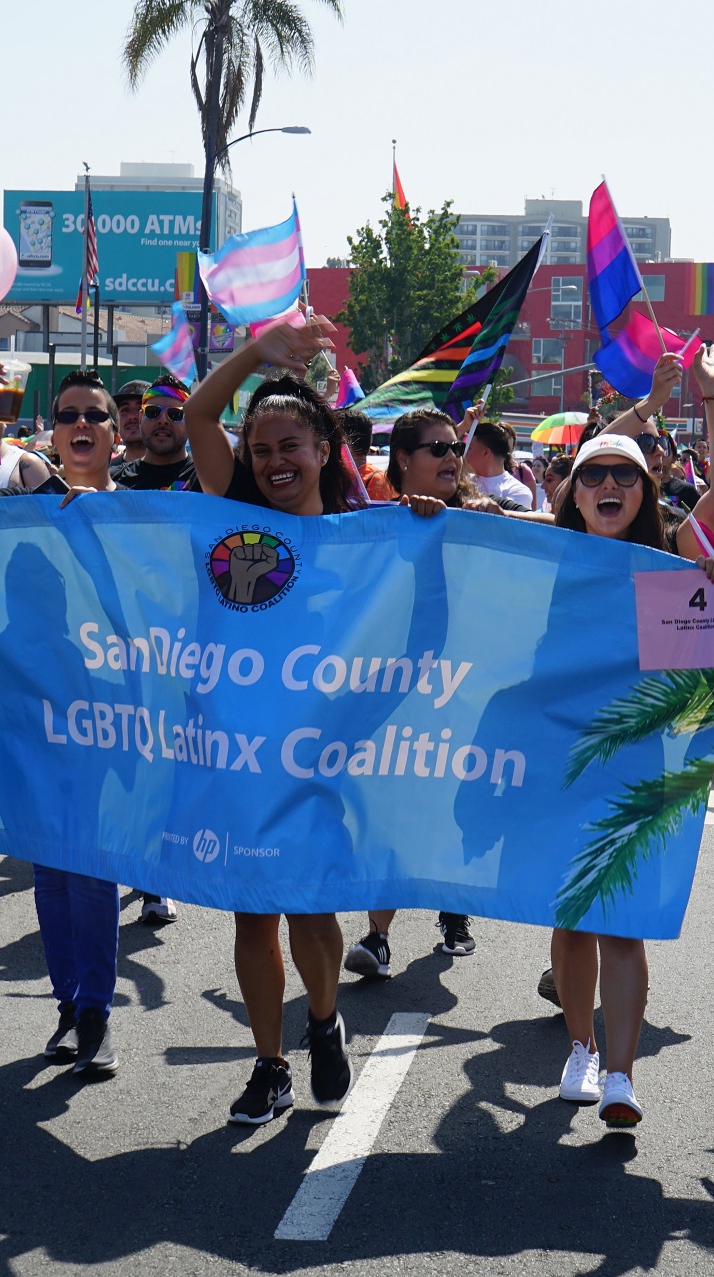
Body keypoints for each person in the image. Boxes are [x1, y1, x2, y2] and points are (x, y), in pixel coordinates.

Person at [534, 345, 714, 1128]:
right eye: (593, 475)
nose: (609, 485)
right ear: (573, 492)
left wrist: (712, 399)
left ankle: (620, 1073)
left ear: (647, 489)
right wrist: (426, 513)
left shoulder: (672, 555)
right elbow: (460, 534)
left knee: (620, 919)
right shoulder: (544, 549)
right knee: (571, 915)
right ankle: (580, 1048)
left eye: (625, 475)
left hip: (640, 760)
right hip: (561, 755)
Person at [0, 366, 144, 1076]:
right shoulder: (20, 505)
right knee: (50, 871)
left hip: (102, 719)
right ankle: (70, 1005)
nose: (81, 423)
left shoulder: (141, 515)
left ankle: (97, 1009)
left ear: (115, 434)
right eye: (68, 414)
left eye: (96, 414)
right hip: (25, 718)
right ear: (52, 433)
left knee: (91, 866)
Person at [182, 317, 362, 1126]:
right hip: (239, 749)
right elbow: (198, 414)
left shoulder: (365, 540)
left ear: (324, 448)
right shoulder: (231, 512)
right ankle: (269, 1063)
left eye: (291, 446)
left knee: (309, 907)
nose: (274, 461)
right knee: (252, 910)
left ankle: (322, 1019)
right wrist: (255, 354)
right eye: (260, 449)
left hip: (320, 754)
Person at [340, 407, 494, 980]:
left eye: (456, 447)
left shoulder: (484, 516)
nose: (453, 457)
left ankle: (453, 911)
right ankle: (378, 936)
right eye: (438, 449)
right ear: (403, 460)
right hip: (399, 691)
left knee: (451, 802)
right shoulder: (375, 524)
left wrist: (488, 520)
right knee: (394, 805)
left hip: (466, 689)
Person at [112, 379, 199, 491]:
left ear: (190, 421)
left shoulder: (204, 478)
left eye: (175, 414)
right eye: (152, 412)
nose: (163, 421)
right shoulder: (114, 481)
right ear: (141, 418)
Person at [464, 418, 534, 509]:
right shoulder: (463, 483)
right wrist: (464, 425)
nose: (465, 453)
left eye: (469, 448)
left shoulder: (518, 491)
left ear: (486, 453)